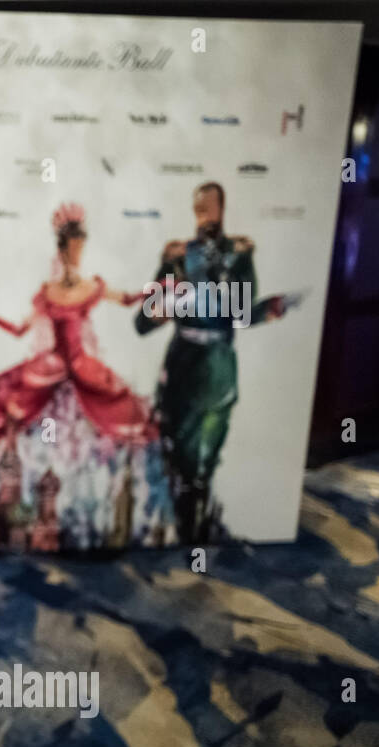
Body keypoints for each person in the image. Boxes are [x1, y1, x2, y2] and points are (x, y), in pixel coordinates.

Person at [0, 203, 173, 553]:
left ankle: (117, 520)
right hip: (50, 367)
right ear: (62, 250)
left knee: (128, 420)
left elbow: (126, 300)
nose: (76, 255)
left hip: (81, 367)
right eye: (72, 248)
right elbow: (20, 329)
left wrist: (159, 287)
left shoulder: (91, 286)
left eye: (80, 249)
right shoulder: (48, 293)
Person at [138, 182, 287, 544]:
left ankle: (195, 537)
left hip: (219, 369)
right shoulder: (177, 256)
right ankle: (185, 530)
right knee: (183, 458)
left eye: (210, 208)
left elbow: (242, 310)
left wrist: (265, 309)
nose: (204, 216)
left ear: (223, 209)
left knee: (205, 463)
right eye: (198, 209)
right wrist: (161, 296)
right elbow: (145, 321)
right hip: (183, 369)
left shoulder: (239, 254)